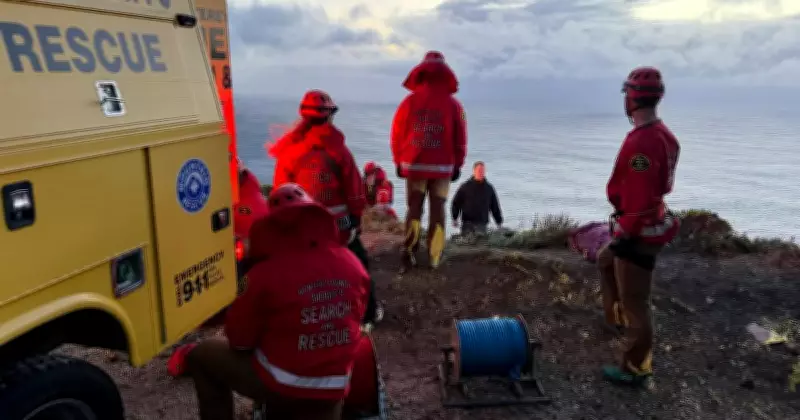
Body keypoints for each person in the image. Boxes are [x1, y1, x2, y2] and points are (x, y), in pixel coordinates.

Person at [167, 183, 371, 420]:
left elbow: (240, 341)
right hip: (334, 389)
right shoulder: (352, 263)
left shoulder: (261, 275)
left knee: (202, 356)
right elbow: (358, 314)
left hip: (283, 385)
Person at [597, 66, 681, 386]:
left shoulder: (641, 145)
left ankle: (636, 367)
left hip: (638, 231)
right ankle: (617, 320)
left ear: (631, 98)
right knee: (606, 261)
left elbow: (639, 199)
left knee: (637, 301)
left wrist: (625, 236)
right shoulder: (664, 135)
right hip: (648, 223)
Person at [268, 90, 381, 325]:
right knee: (358, 266)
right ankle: (366, 316)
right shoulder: (338, 150)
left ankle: (305, 317)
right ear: (329, 116)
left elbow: (279, 192)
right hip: (337, 228)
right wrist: (356, 220)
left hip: (302, 228)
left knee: (303, 272)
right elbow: (355, 191)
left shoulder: (289, 151)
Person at [391, 51, 467, 272]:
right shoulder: (455, 106)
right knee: (438, 210)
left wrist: (399, 161)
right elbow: (461, 137)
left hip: (414, 166)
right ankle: (434, 257)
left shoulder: (408, 103)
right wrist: (458, 164)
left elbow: (397, 133)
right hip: (443, 168)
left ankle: (409, 252)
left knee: (414, 209)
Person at [450, 161, 502, 236]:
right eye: (479, 170)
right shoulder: (465, 187)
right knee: (467, 245)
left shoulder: (489, 188)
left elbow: (495, 206)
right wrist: (455, 218)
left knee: (480, 245)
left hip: (482, 224)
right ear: (474, 171)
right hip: (467, 224)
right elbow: (455, 203)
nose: (481, 173)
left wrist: (499, 222)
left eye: (482, 171)